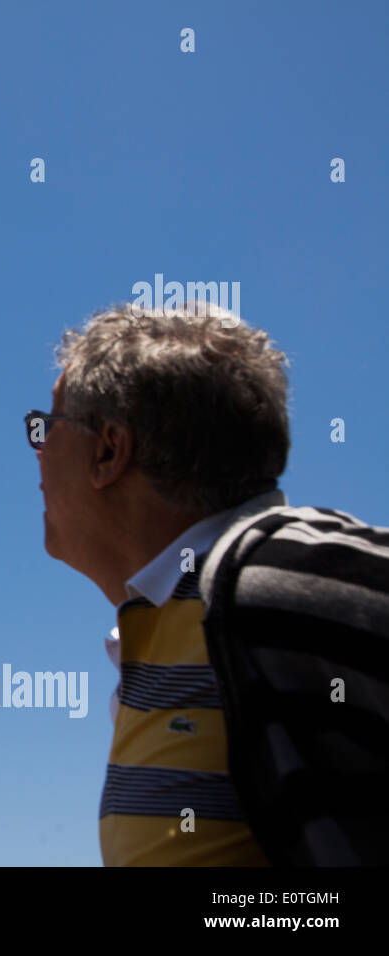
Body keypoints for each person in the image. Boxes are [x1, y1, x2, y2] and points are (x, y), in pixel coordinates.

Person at [27, 301, 389, 866]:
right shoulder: (168, 630)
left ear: (108, 450)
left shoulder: (283, 578)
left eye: (46, 426)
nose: (38, 451)